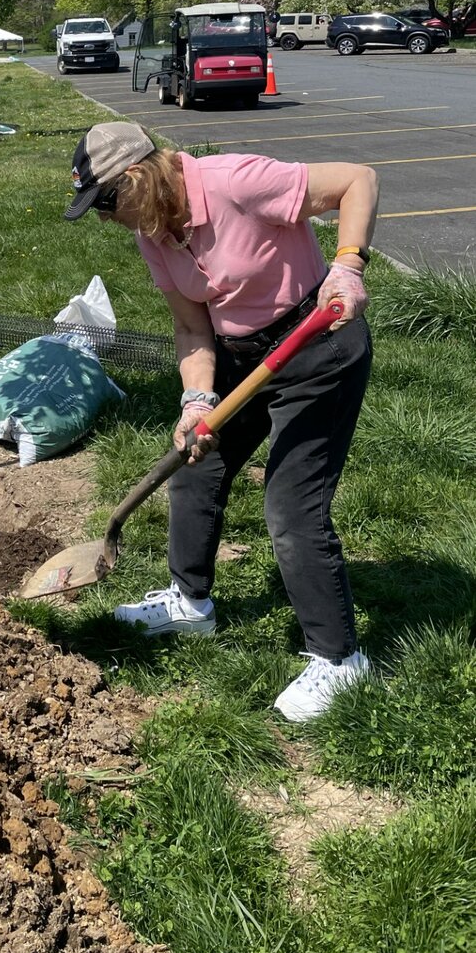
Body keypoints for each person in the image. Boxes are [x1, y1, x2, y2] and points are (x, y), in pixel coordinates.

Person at [64, 122, 378, 722]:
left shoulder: (236, 182)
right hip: (241, 356)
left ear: (135, 178)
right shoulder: (155, 232)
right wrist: (196, 401)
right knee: (194, 466)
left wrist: (348, 265)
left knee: (291, 507)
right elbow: (191, 327)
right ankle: (190, 603)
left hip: (317, 345)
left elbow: (357, 180)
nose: (105, 218)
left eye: (105, 202)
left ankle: (340, 661)